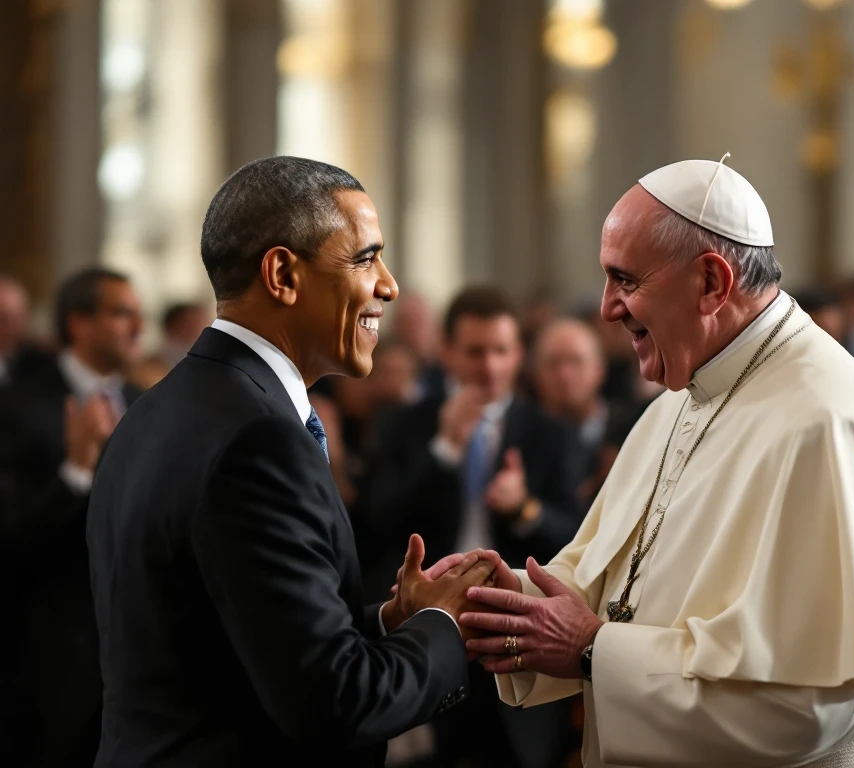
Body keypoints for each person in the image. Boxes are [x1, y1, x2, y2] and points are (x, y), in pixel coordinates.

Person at [460, 156, 854, 767]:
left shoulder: (827, 422)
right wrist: (490, 601)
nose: (606, 308)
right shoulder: (680, 399)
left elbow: (808, 704)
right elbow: (612, 586)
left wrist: (595, 653)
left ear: (710, 283)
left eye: (626, 280)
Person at [86, 156, 495, 768]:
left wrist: (392, 620)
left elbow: (234, 640)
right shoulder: (259, 442)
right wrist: (441, 624)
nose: (389, 284)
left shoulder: (155, 409)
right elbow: (336, 702)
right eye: (365, 258)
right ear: (282, 274)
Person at [364, 286, 582, 768]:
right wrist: (443, 450)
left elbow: (576, 539)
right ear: (446, 352)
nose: (489, 367)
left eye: (501, 351)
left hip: (515, 628)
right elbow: (379, 520)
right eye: (475, 351)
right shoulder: (405, 424)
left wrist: (524, 507)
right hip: (428, 627)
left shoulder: (550, 433)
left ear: (518, 354)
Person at [0, 267, 143, 767]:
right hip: (52, 657)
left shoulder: (145, 406)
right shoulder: (18, 405)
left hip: (138, 655)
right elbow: (13, 534)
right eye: (121, 313)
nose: (137, 327)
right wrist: (75, 470)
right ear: (79, 324)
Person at [532, 318, 615, 508]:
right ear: (535, 372)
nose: (564, 375)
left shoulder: (630, 431)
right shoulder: (520, 436)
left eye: (576, 362)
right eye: (553, 363)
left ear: (599, 368)